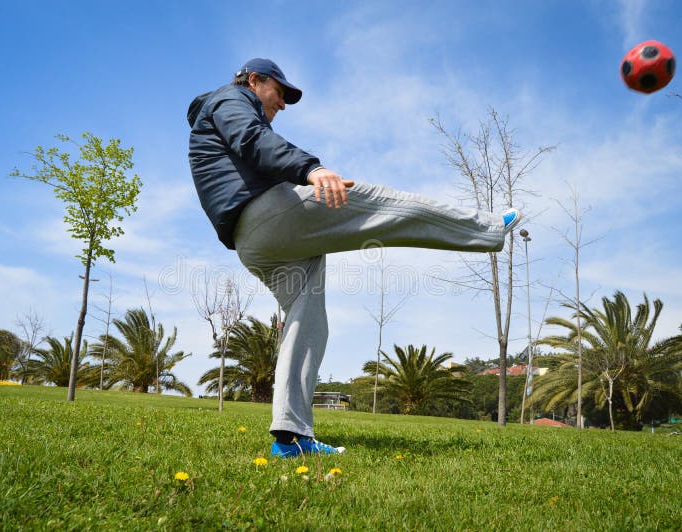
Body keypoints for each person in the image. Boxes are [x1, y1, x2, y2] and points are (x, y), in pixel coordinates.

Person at [187, 58, 520, 458]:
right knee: (375, 203)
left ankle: (290, 438)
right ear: (254, 80)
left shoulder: (220, 113)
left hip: (253, 243)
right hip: (264, 217)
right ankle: (487, 227)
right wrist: (310, 169)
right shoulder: (232, 99)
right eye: (279, 92)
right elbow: (254, 139)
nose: (283, 104)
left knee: (307, 323)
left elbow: (251, 147)